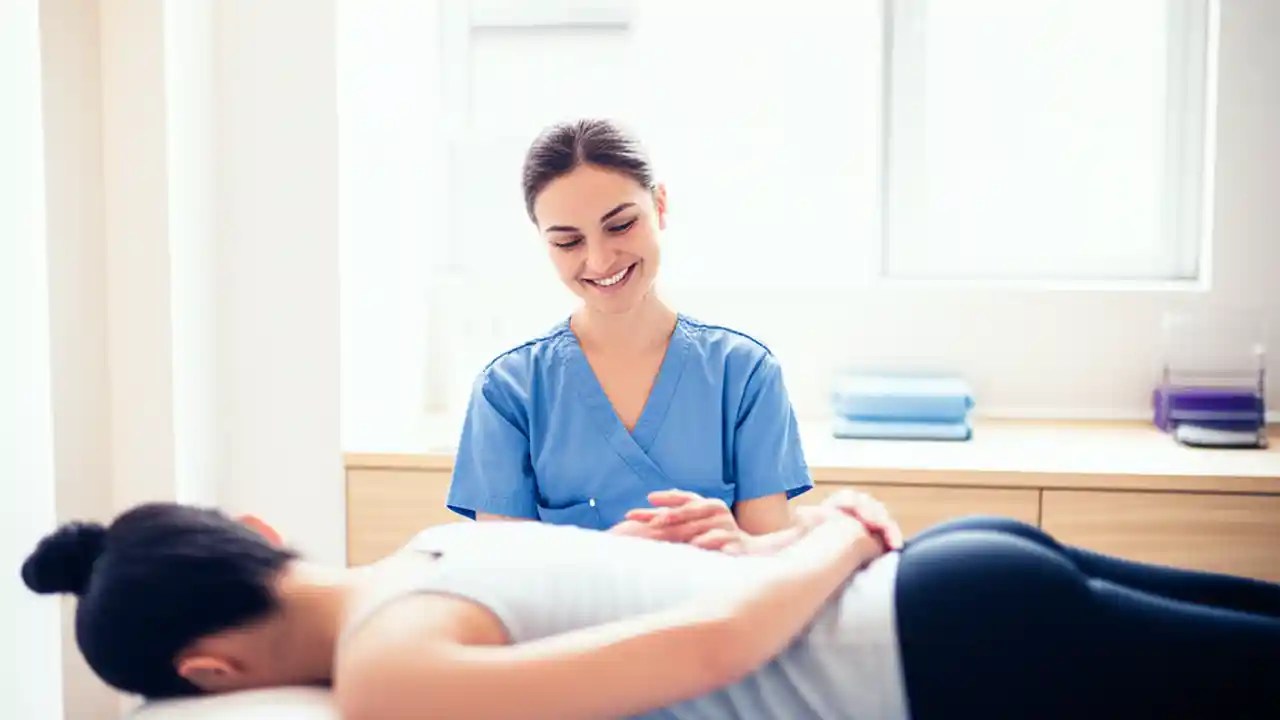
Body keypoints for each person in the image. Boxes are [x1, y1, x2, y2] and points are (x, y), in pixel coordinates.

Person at [22, 496, 1278, 720]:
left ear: (211, 672)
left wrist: (831, 532)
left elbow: (715, 642)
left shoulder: (388, 672)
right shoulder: (430, 549)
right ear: (257, 533)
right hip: (958, 587)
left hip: (950, 652)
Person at [446, 118, 866, 546]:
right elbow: (504, 576)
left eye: (621, 225)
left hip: (721, 612)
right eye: (568, 242)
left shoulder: (743, 374)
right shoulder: (509, 391)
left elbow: (771, 571)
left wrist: (743, 548)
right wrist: (614, 556)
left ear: (660, 206)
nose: (600, 260)